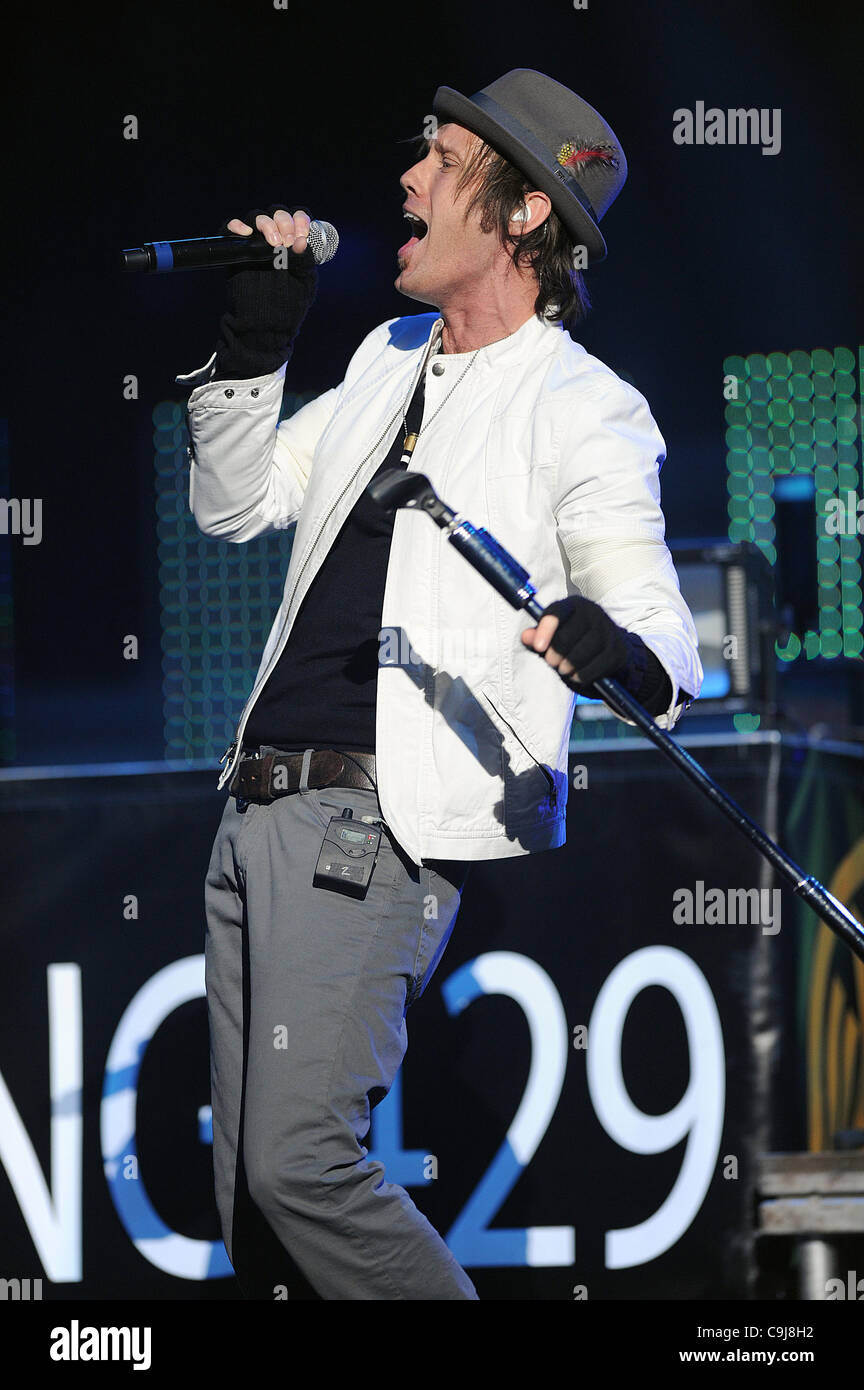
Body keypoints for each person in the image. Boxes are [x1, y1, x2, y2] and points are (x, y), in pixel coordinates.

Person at [178, 68, 703, 1301]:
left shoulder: (584, 407)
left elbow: (669, 644)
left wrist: (609, 644)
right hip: (252, 812)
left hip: (372, 825)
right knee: (253, 1212)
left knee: (300, 1163)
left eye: (445, 163)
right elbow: (234, 503)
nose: (409, 180)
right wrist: (256, 341)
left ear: (525, 214)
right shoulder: (386, 353)